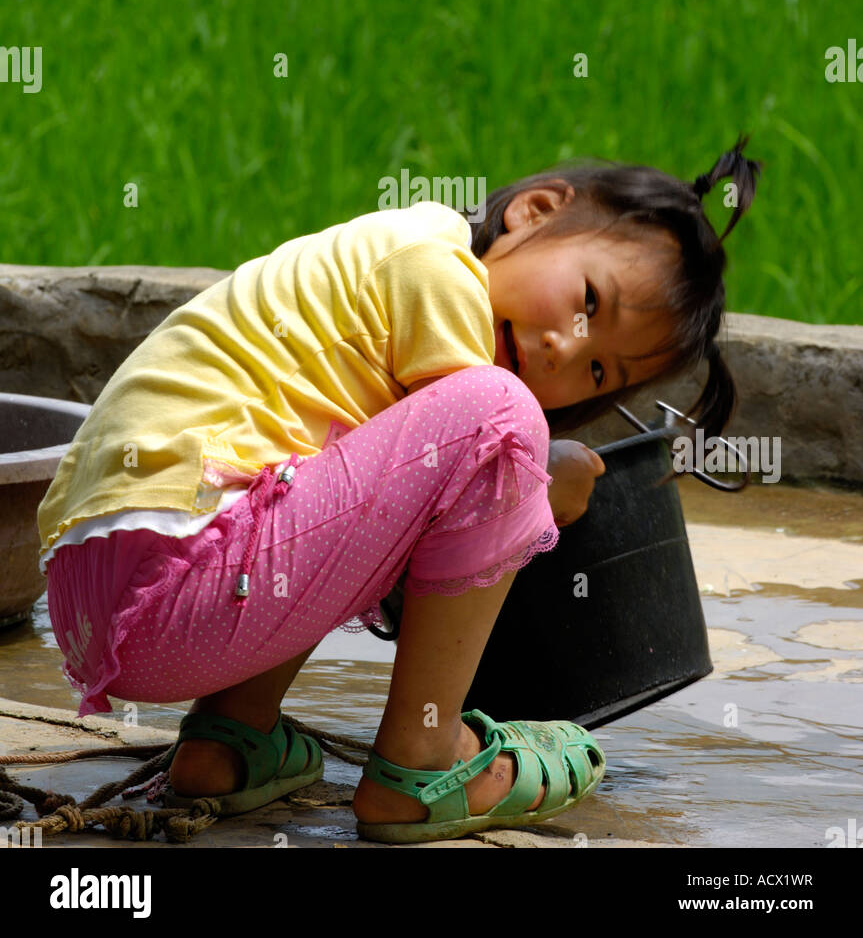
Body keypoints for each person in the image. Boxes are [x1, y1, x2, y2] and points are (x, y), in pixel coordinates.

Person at [37, 132, 762, 843]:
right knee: (501, 420)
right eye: (587, 302)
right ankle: (420, 764)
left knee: (337, 459)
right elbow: (488, 453)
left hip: (101, 598)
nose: (563, 348)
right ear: (533, 210)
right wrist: (544, 479)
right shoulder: (433, 267)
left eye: (600, 372)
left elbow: (379, 499)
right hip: (175, 581)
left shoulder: (394, 289)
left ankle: (227, 741)